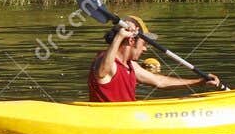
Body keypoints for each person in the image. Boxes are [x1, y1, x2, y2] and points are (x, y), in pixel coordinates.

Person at [88, 17, 219, 102]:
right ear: (132, 40)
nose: (145, 49)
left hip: (128, 123)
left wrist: (200, 81)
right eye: (144, 44)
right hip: (112, 125)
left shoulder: (131, 65)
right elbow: (101, 73)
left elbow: (160, 81)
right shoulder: (105, 61)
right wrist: (120, 36)